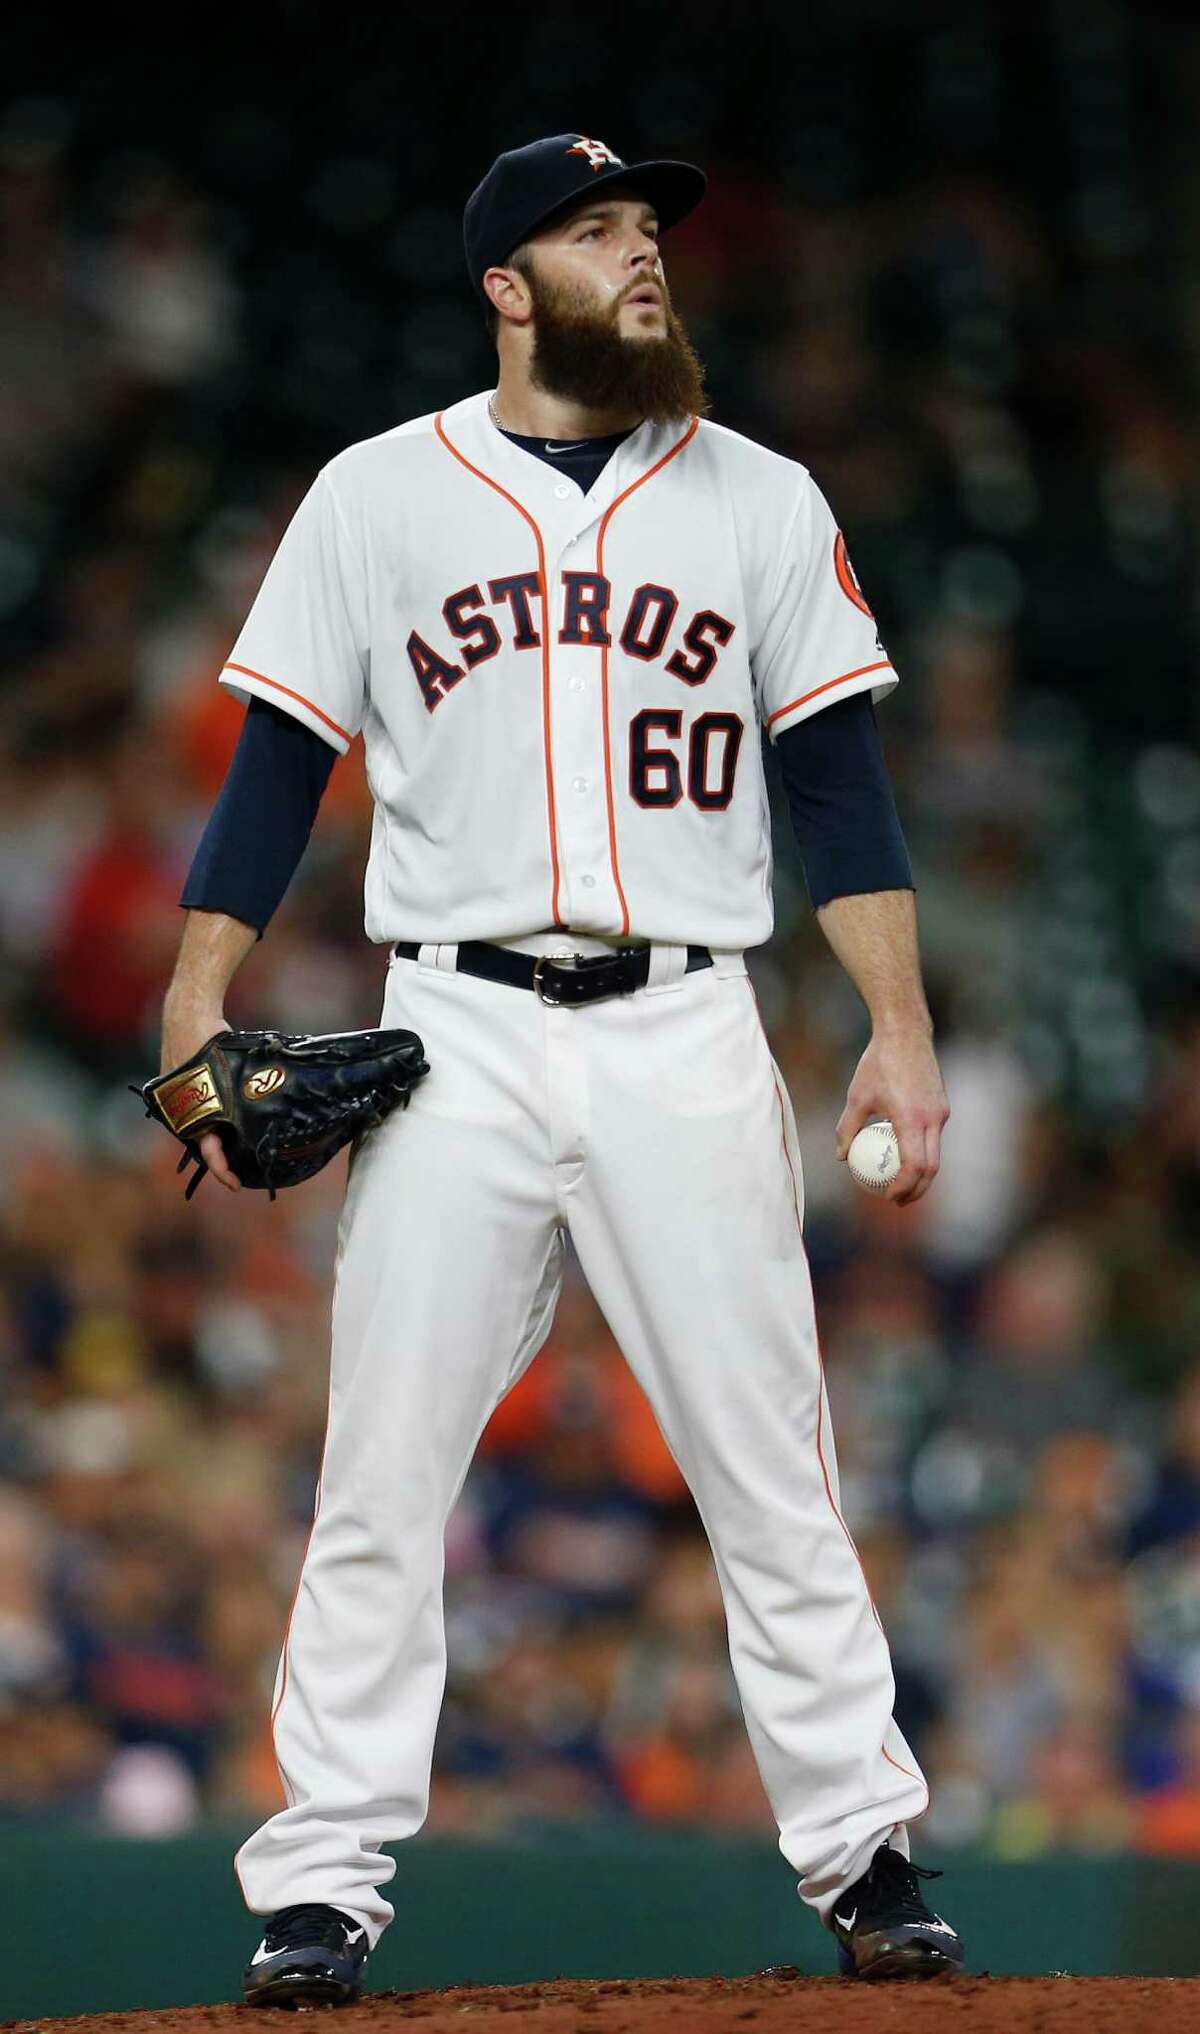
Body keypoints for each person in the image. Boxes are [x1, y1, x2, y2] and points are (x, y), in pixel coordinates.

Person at [159, 133, 962, 2005]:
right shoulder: (379, 495)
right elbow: (279, 764)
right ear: (508, 286)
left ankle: (864, 1852)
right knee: (382, 1466)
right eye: (596, 231)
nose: (644, 253)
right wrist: (196, 988)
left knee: (770, 1464)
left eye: (651, 225)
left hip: (692, 1015)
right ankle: (324, 1882)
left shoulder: (759, 498)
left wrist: (901, 1027)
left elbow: (839, 785)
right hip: (452, 1026)